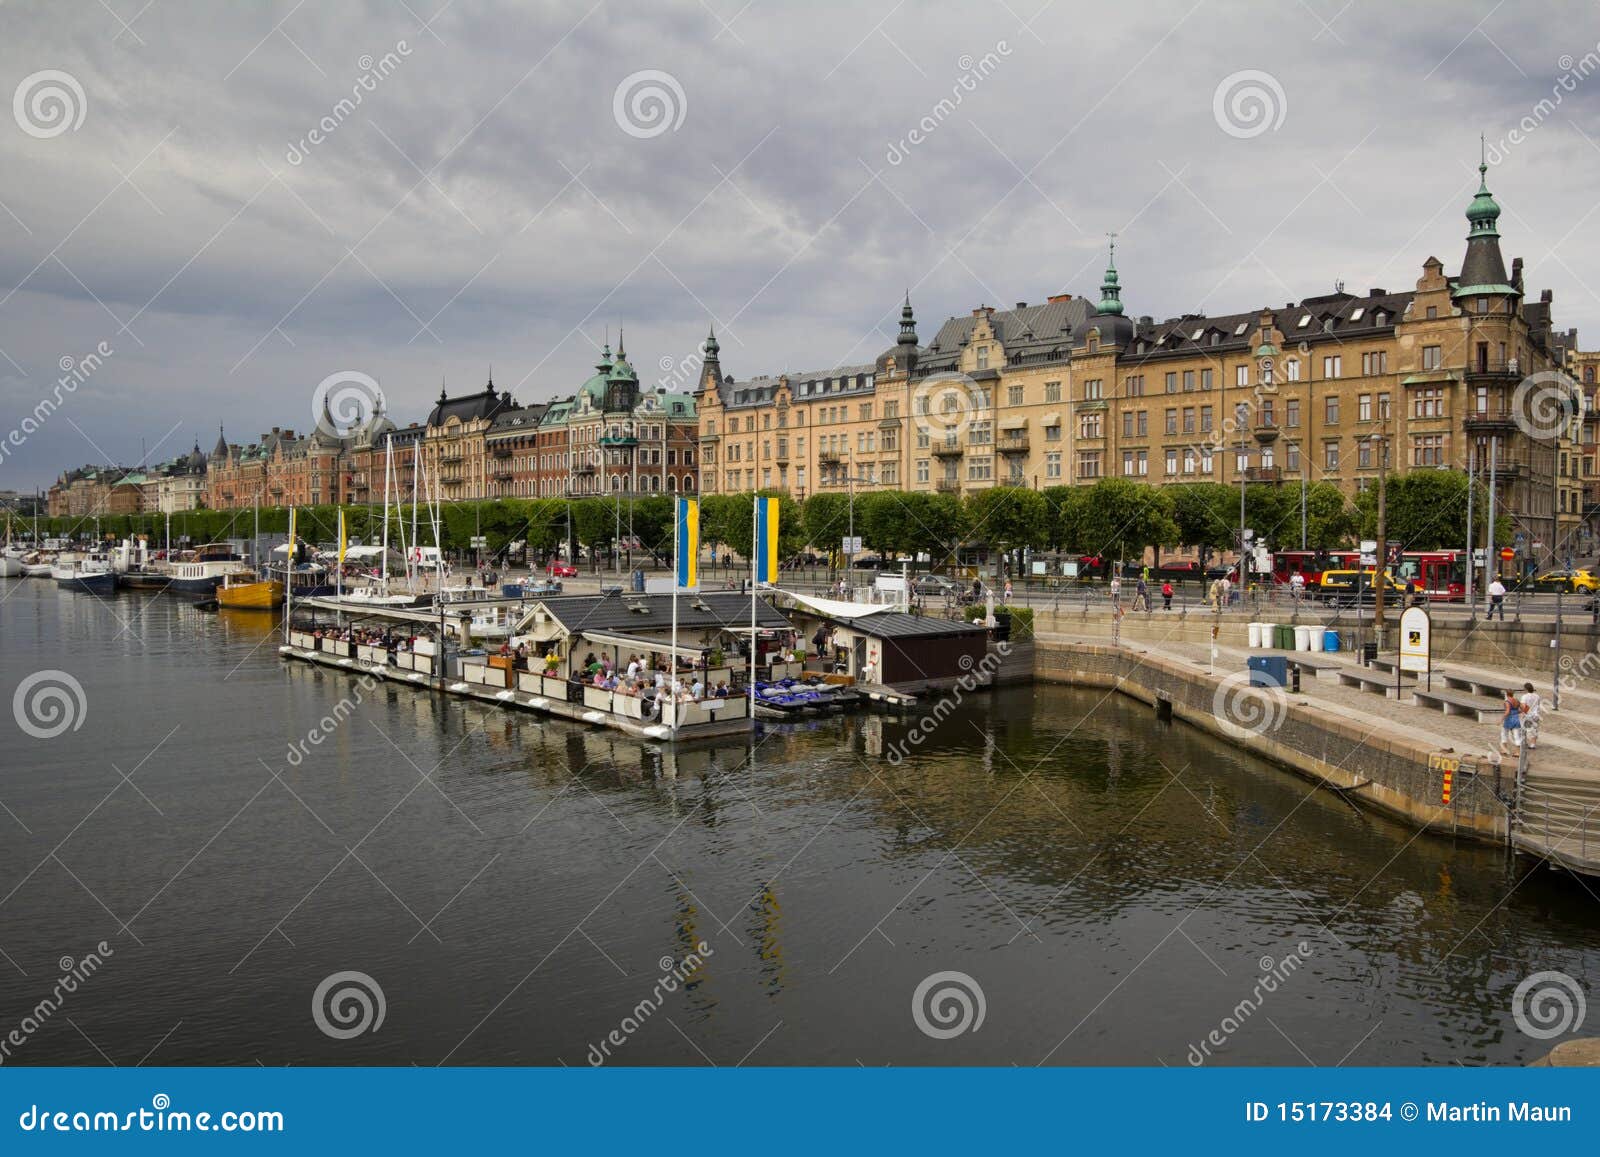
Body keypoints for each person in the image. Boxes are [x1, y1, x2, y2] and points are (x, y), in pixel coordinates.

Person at [1519, 682, 1542, 750]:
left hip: (1528, 715)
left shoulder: (1524, 696)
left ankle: (1524, 742)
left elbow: (1523, 706)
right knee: (1534, 729)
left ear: (1526, 689)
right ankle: (1533, 744)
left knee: (1525, 729)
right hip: (1536, 715)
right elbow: (1538, 705)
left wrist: (1522, 713)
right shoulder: (1537, 696)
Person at [1499, 689, 1522, 756]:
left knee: (1504, 734)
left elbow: (1508, 711)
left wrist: (1501, 719)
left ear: (1506, 694)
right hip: (1516, 719)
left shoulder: (1507, 701)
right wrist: (1516, 712)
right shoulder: (1517, 700)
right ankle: (1518, 752)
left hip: (1509, 720)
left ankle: (1504, 750)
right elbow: (1524, 708)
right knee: (1516, 736)